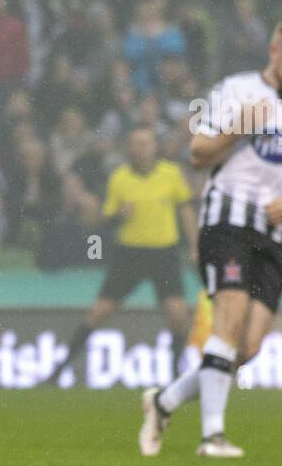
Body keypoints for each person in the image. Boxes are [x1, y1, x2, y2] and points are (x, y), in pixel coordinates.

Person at [141, 16, 282, 458]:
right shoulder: (235, 91)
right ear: (275, 51)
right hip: (226, 221)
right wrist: (239, 127)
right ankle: (212, 436)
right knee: (227, 316)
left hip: (272, 230)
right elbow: (197, 153)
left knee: (245, 348)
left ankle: (164, 401)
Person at [47, 126, 196, 385]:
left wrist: (194, 245)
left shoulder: (171, 175)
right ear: (129, 148)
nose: (140, 149)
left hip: (164, 253)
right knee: (99, 312)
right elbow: (102, 220)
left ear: (154, 147)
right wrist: (118, 216)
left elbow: (185, 210)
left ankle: (175, 377)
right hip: (130, 254)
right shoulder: (120, 178)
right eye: (135, 143)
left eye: (145, 143)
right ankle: (60, 370)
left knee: (178, 314)